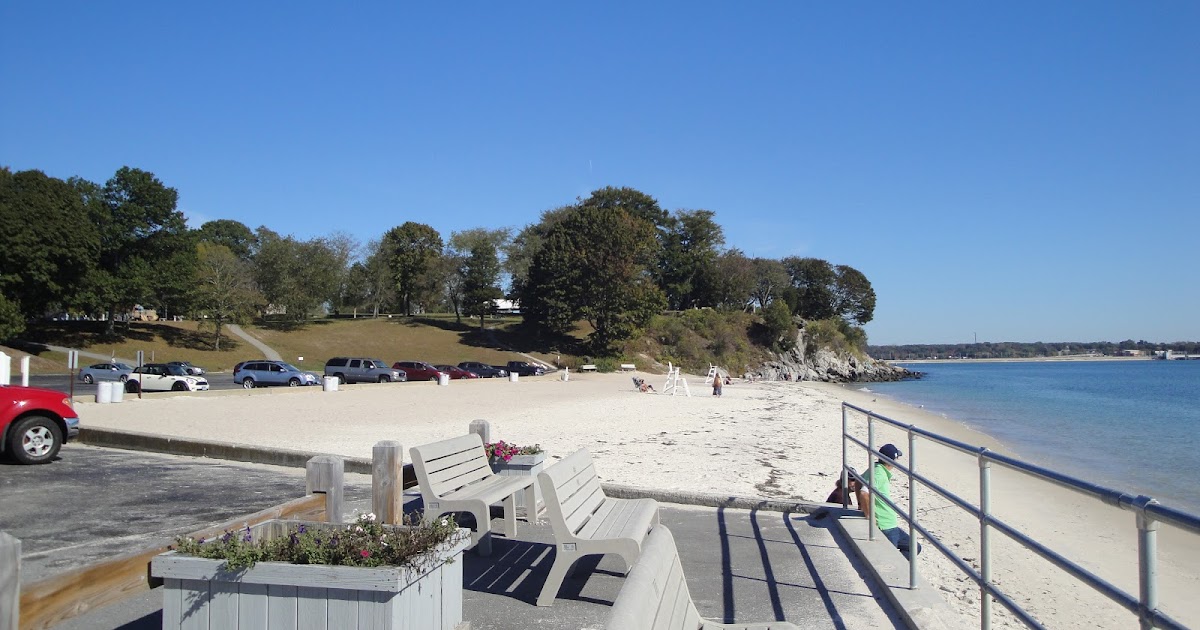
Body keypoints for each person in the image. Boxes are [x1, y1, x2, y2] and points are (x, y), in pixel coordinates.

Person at [856, 443, 922, 557]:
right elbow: (864, 492)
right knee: (891, 556)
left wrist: (860, 505)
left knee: (915, 547)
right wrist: (869, 516)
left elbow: (858, 481)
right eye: (896, 459)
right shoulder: (879, 474)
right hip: (886, 525)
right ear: (891, 461)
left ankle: (901, 563)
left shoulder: (875, 467)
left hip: (889, 523)